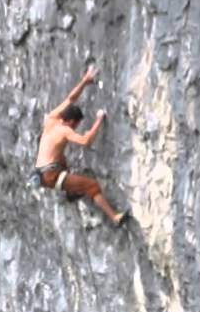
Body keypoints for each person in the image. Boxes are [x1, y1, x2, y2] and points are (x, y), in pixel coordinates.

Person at [33, 65, 131, 226]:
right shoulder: (65, 130)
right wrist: (99, 120)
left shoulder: (51, 119)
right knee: (91, 185)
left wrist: (85, 80)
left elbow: (70, 99)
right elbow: (86, 141)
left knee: (62, 158)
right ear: (72, 121)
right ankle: (115, 217)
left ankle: (71, 189)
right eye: (76, 125)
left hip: (44, 172)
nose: (76, 128)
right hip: (51, 175)